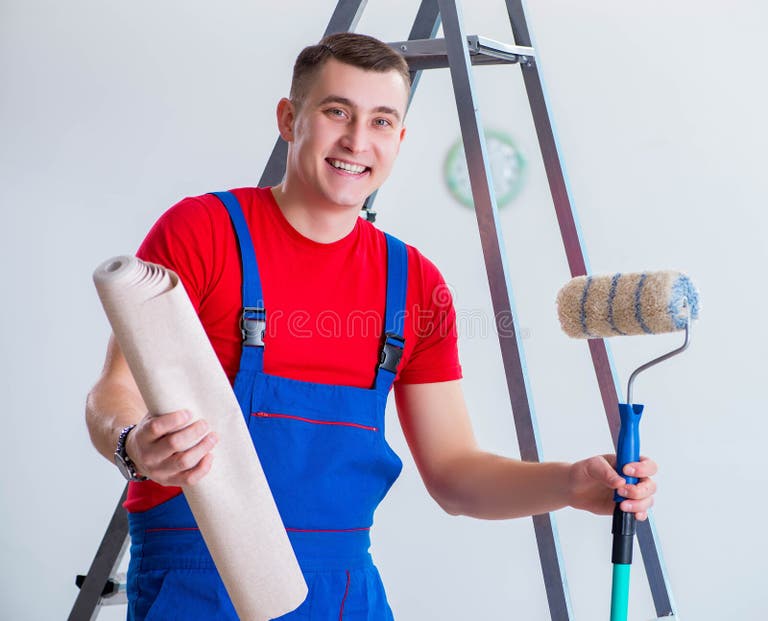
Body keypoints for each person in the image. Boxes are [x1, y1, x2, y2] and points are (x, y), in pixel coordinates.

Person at [85, 32, 657, 621]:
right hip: (199, 584)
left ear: (400, 139)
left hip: (344, 595)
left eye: (382, 121)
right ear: (289, 119)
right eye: (337, 112)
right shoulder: (203, 232)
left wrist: (566, 484)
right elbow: (114, 391)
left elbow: (455, 473)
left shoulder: (415, 284)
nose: (357, 141)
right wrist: (133, 444)